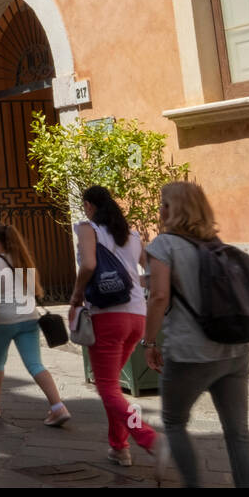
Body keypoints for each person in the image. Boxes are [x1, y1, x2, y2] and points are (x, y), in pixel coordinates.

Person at [143, 182, 249, 487]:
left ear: (176, 209)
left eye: (165, 203)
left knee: (174, 422)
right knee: (238, 434)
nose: (160, 209)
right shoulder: (218, 245)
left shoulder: (164, 245)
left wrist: (149, 342)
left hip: (192, 352)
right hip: (235, 351)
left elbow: (159, 296)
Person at [69, 184, 159, 467]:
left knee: (107, 388)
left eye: (85, 206)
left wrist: (76, 296)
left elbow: (88, 266)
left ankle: (149, 439)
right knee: (113, 388)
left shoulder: (88, 228)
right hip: (137, 317)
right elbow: (149, 270)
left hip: (108, 316)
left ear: (90, 206)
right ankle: (119, 448)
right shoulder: (131, 235)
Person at [0, 222, 69, 425]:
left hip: (2, 321)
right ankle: (58, 407)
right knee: (35, 364)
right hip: (29, 318)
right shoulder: (23, 260)